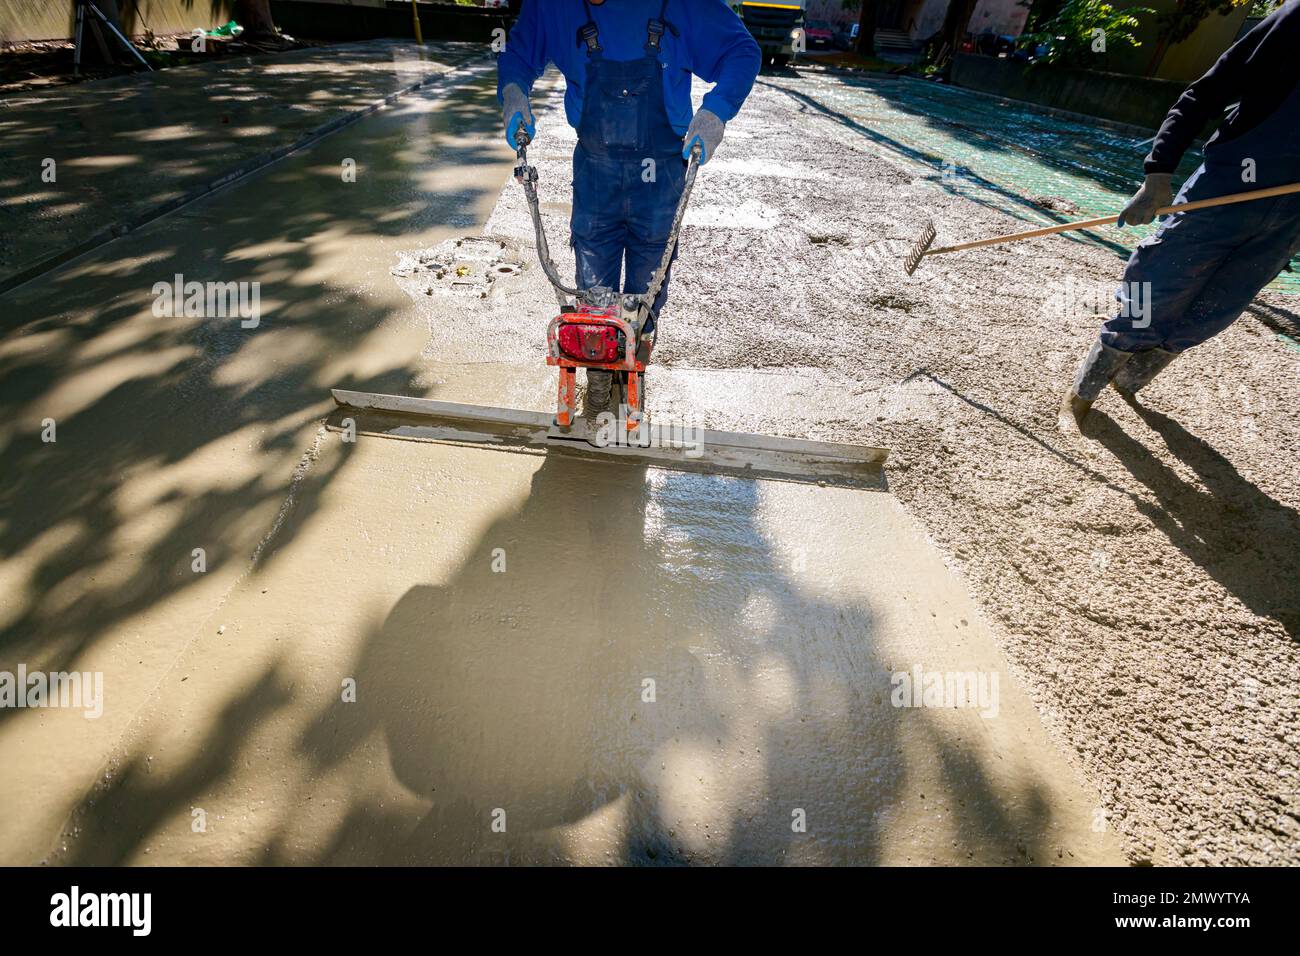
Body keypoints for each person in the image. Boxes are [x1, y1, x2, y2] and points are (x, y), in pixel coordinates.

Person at [497, 0, 761, 410]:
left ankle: (634, 370)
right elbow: (517, 54)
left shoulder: (683, 4)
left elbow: (742, 52)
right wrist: (514, 95)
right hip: (596, 171)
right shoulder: (554, 5)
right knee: (595, 288)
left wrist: (715, 112)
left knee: (647, 289)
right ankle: (599, 378)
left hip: (661, 173)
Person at [1059, 0, 1300, 431]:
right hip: (1229, 188)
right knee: (1155, 291)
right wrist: (1158, 175)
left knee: (1215, 310)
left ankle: (1128, 382)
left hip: (1289, 220)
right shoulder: (1297, 19)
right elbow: (1205, 92)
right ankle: (1081, 395)